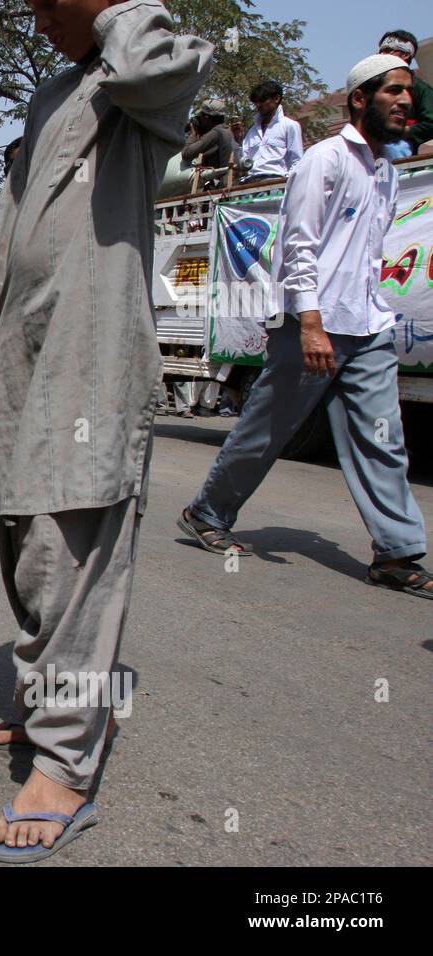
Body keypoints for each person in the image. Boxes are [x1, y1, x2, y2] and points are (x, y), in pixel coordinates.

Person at [0, 0, 210, 861]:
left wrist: (115, 7)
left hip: (91, 351)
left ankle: (63, 765)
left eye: (51, 4)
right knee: (21, 531)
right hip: (21, 343)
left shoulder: (153, 68)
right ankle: (48, 697)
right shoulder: (52, 92)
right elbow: (9, 219)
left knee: (72, 544)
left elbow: (139, 66)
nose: (36, 19)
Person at [180, 55, 430, 600]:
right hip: (310, 323)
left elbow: (366, 253)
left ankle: (396, 552)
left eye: (409, 94)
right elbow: (299, 246)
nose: (406, 102)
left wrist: (373, 312)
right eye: (394, 92)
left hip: (368, 325)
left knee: (382, 442)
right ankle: (207, 512)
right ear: (360, 99)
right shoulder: (325, 159)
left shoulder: (386, 171)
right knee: (267, 430)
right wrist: (311, 324)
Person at [377, 30, 433, 154]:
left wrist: (402, 131)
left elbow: (431, 123)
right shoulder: (373, 85)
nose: (381, 55)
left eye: (387, 50)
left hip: (401, 158)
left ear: (405, 55)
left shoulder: (420, 89)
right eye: (380, 50)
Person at [237, 80, 303, 182]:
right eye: (256, 102)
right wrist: (238, 139)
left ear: (276, 99)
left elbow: (297, 161)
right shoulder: (251, 132)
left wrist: (286, 184)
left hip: (276, 183)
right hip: (251, 184)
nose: (258, 105)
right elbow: (243, 162)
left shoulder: (289, 126)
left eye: (262, 101)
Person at [182, 101, 233, 185]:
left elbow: (186, 154)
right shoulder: (226, 130)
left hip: (219, 185)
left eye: (201, 116)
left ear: (206, 118)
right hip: (226, 181)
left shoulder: (215, 133)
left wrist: (192, 135)